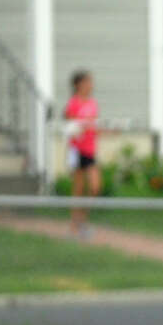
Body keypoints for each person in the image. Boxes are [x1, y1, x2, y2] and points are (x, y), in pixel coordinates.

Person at [63, 70, 101, 238]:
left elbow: (95, 126)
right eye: (87, 82)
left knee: (95, 187)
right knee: (78, 189)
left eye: (90, 82)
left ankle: (82, 221)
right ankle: (74, 225)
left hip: (90, 150)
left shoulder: (93, 103)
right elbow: (70, 128)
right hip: (77, 150)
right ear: (78, 85)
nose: (90, 85)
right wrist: (82, 127)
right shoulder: (73, 103)